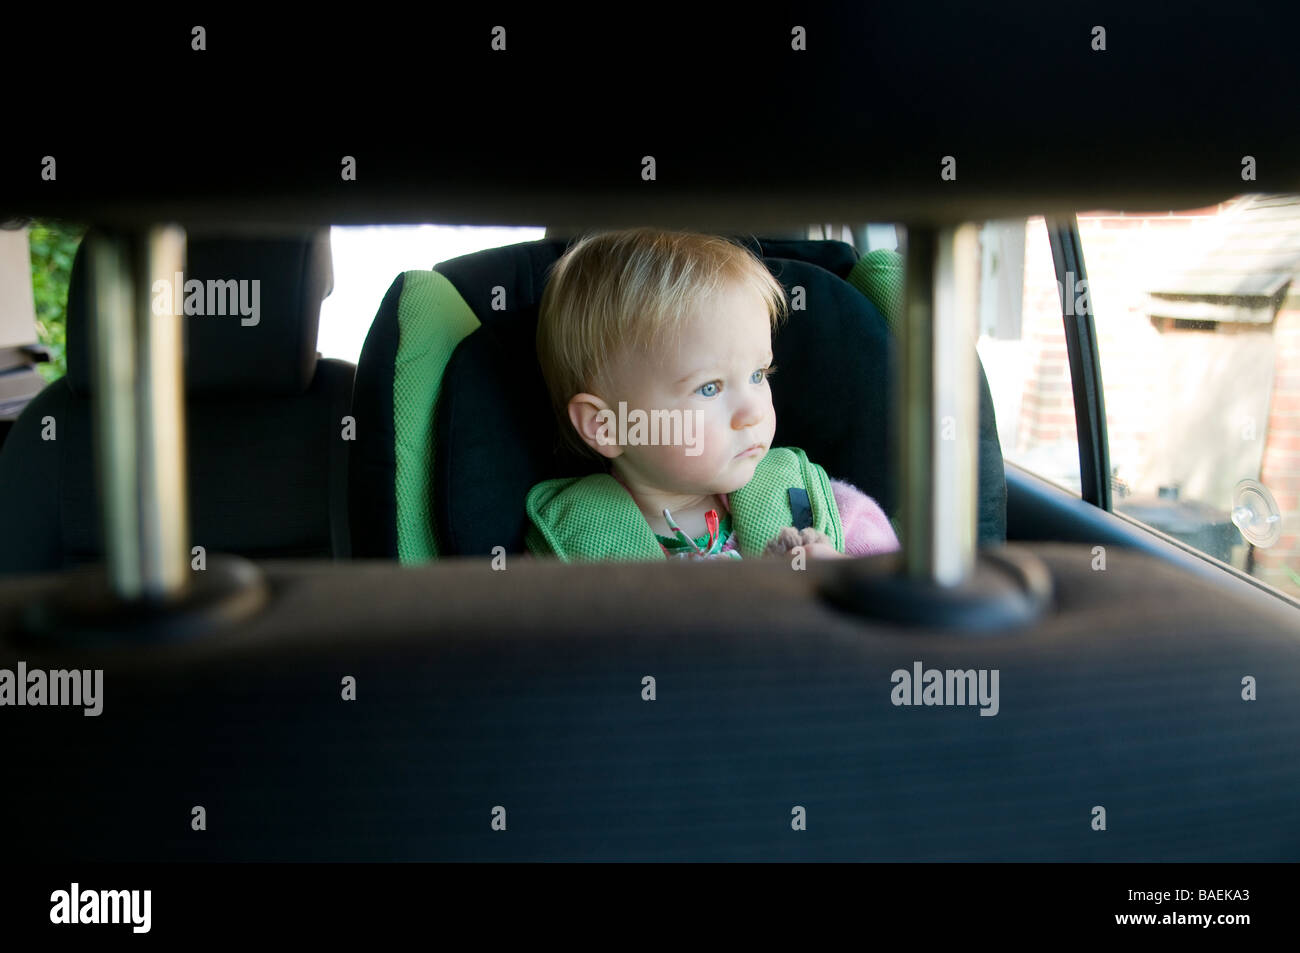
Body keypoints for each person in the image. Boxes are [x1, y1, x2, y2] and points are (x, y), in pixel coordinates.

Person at [525, 227, 899, 563]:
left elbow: (903, 608)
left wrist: (842, 580)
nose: (752, 412)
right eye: (709, 388)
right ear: (606, 425)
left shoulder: (827, 509)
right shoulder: (567, 552)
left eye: (758, 374)